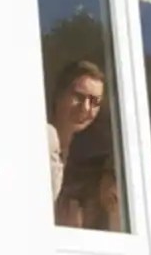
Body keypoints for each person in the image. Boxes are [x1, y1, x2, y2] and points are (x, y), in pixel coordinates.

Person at [46, 60, 106, 204]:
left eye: (94, 102)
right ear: (59, 95)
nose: (85, 108)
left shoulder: (77, 153)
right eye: (78, 97)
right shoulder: (45, 136)